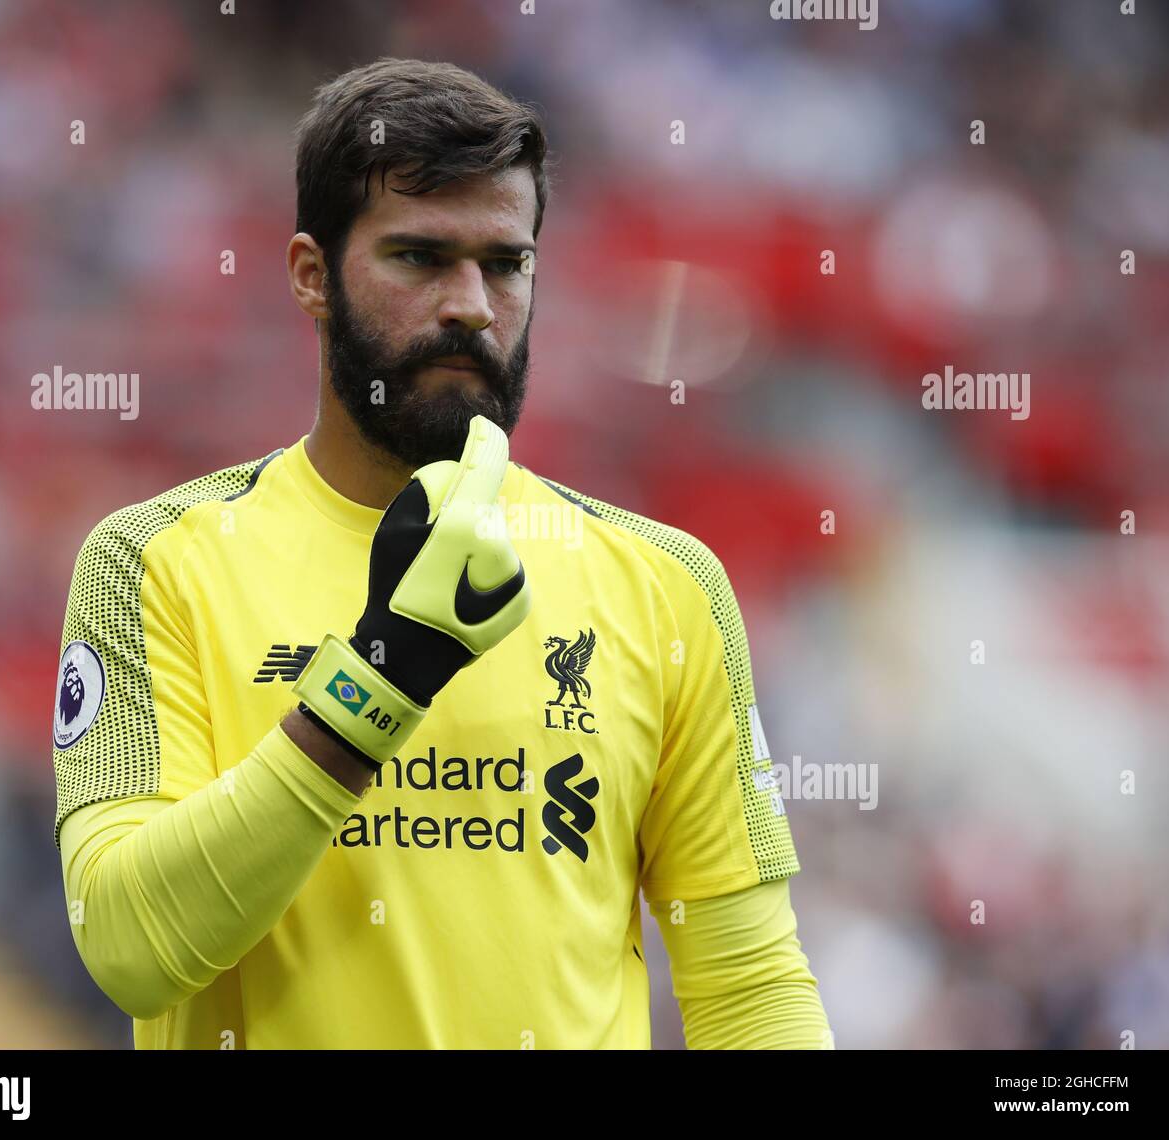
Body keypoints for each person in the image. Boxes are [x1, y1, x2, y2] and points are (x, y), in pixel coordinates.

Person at [52, 57, 831, 1050]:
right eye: (419, 257)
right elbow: (127, 946)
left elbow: (749, 986)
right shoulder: (153, 561)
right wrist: (381, 678)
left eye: (505, 264)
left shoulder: (669, 585)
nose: (471, 304)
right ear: (310, 275)